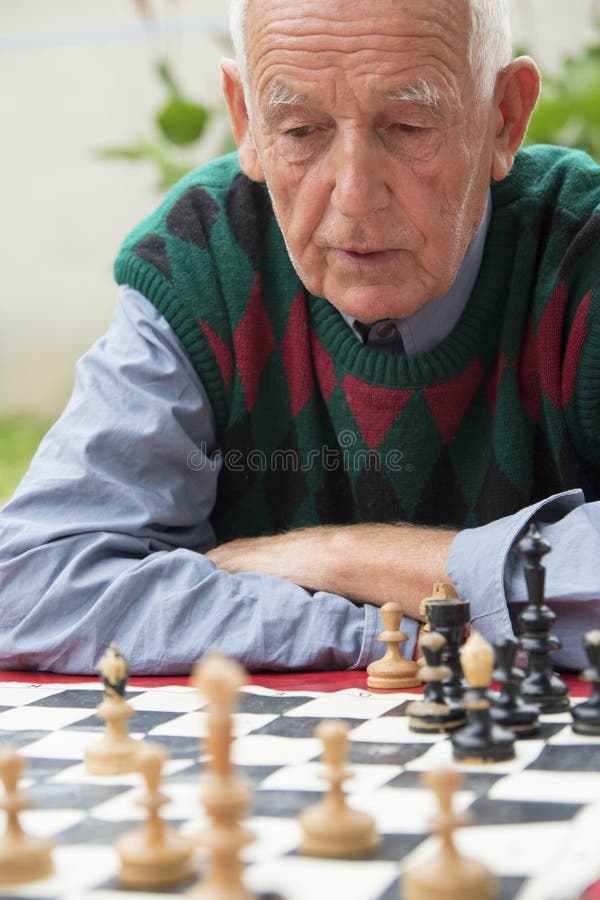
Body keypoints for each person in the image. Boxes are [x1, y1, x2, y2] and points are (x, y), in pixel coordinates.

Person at [0, 0, 599, 675]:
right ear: (246, 120)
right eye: (301, 129)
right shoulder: (205, 262)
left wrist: (335, 558)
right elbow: (35, 580)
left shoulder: (584, 254)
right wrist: (388, 635)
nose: (354, 194)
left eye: (408, 125)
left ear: (504, 117)